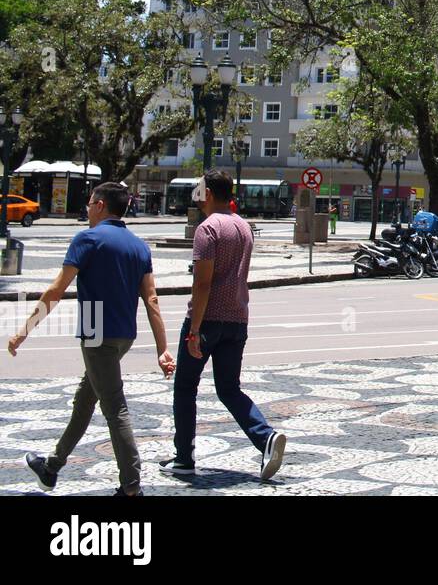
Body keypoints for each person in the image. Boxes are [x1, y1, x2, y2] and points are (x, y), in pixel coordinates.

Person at [9, 182, 174, 496]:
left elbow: (56, 290)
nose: (86, 209)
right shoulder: (139, 246)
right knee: (85, 401)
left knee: (116, 409)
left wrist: (23, 331)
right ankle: (51, 467)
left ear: (100, 204)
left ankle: (131, 488)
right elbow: (151, 299)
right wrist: (162, 349)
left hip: (97, 330)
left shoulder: (88, 239)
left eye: (88, 203)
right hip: (124, 333)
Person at [164, 171, 287, 481]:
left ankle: (183, 457)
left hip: (208, 320)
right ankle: (265, 437)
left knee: (185, 388)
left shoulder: (207, 229)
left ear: (206, 193)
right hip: (238, 317)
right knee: (230, 389)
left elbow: (202, 283)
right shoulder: (243, 227)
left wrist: (194, 328)